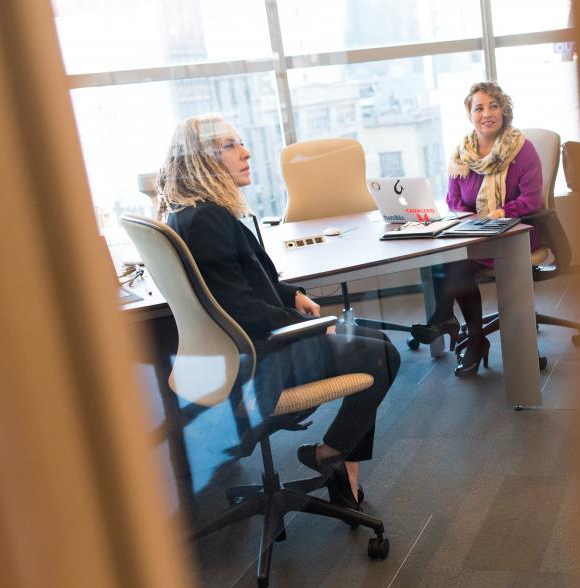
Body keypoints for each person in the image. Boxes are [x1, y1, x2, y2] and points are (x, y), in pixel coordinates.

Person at [156, 114, 399, 511]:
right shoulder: (208, 221)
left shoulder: (188, 214)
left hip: (244, 348)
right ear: (202, 158)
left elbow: (234, 286)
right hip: (265, 356)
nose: (246, 152)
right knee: (381, 353)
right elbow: (241, 310)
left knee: (374, 344)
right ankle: (331, 456)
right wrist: (313, 327)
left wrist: (291, 295)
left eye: (241, 143)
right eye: (230, 146)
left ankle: (340, 464)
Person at [411, 82, 543, 377]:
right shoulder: (463, 153)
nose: (487, 114)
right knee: (443, 258)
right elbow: (452, 200)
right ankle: (470, 334)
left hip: (514, 232)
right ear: (469, 114)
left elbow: (531, 199)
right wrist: (470, 219)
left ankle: (459, 330)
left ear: (503, 110)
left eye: (493, 106)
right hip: (474, 231)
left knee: (456, 265)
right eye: (479, 108)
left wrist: (499, 213)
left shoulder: (521, 149)